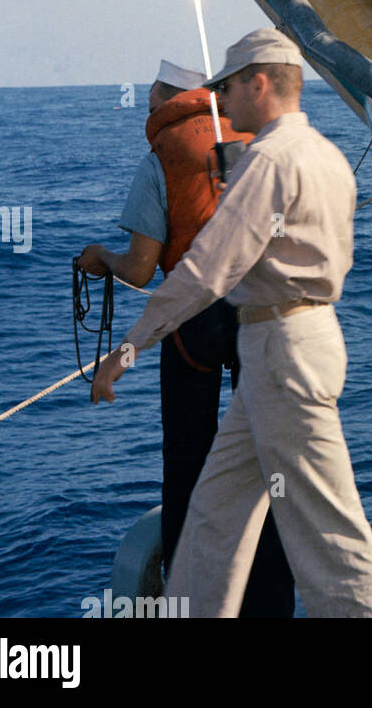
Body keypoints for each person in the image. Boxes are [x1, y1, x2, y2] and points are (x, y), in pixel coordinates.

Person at [91, 29, 372, 619]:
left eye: (228, 87)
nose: (221, 101)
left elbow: (204, 272)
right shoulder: (327, 156)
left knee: (331, 536)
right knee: (214, 516)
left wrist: (125, 352)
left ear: (260, 82)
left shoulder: (269, 160)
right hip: (288, 347)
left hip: (282, 354)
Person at [77, 58, 294, 618]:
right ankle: (269, 601)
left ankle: (188, 601)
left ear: (170, 100)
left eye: (151, 104)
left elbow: (143, 269)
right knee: (265, 459)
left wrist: (101, 258)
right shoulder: (256, 140)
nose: (148, 114)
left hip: (192, 320)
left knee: (187, 461)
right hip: (261, 315)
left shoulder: (161, 159)